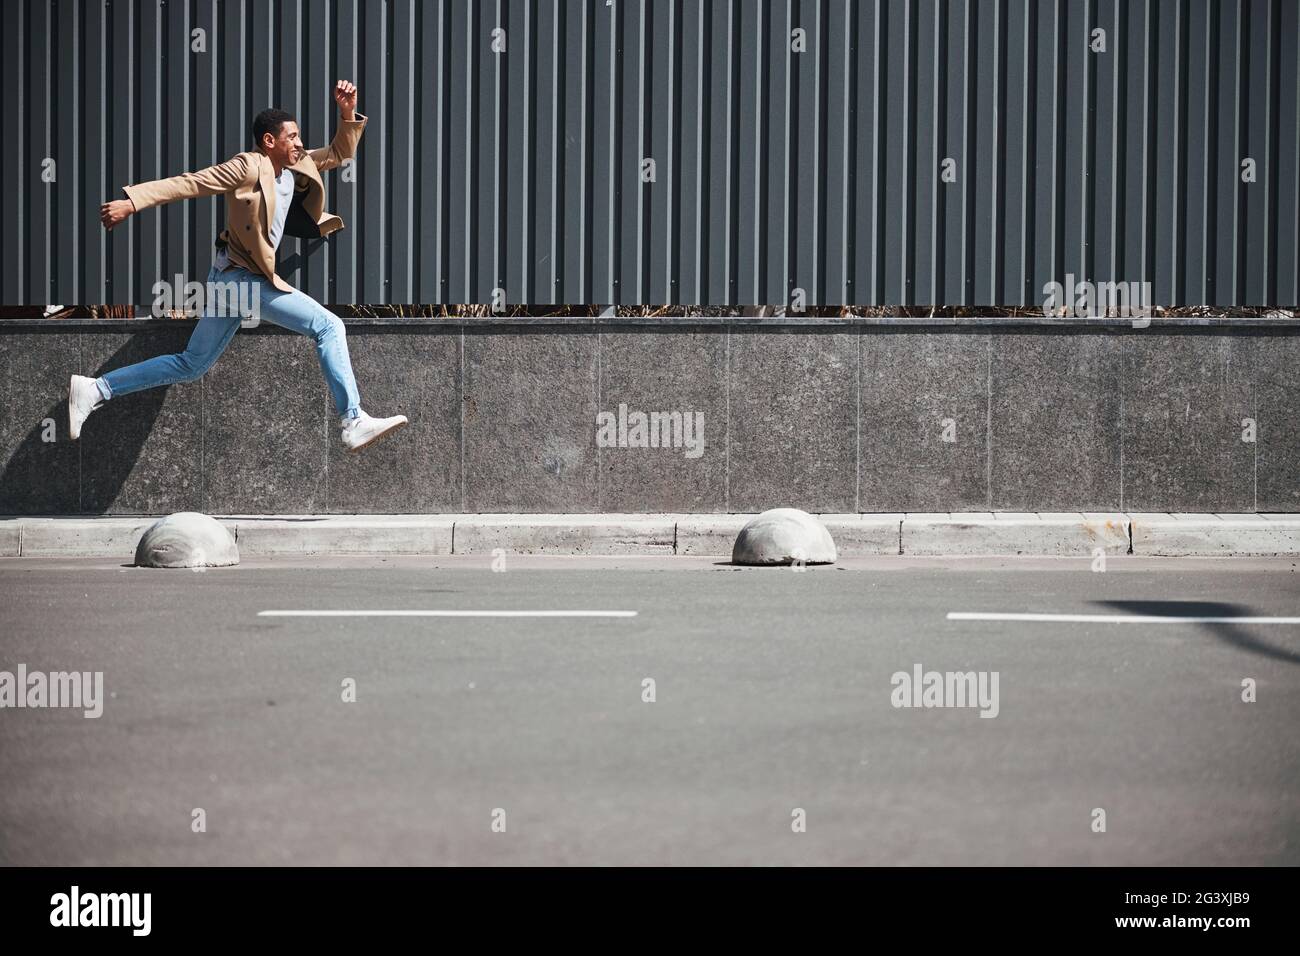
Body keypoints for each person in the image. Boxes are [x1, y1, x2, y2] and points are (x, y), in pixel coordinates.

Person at [74, 80, 407, 453]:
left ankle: (95, 388)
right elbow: (190, 183)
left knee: (191, 364)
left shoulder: (298, 165)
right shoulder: (247, 167)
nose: (299, 143)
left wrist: (347, 113)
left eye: (299, 137)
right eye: (292, 137)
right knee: (328, 325)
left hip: (227, 281)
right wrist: (132, 201)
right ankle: (353, 419)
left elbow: (339, 153)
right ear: (269, 141)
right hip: (240, 281)